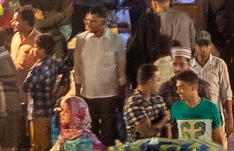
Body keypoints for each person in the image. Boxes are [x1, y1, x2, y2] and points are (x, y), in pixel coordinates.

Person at [191, 0, 234, 106]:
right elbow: (201, 23)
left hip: (231, 38)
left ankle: (229, 99)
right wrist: (209, 45)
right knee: (217, 75)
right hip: (216, 42)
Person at [71, 8, 125, 148]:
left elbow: (121, 69)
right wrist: (78, 95)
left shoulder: (116, 40)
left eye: (93, 21)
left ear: (104, 21)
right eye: (88, 20)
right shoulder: (81, 39)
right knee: (90, 135)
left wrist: (122, 94)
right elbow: (78, 69)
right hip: (88, 95)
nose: (89, 24)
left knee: (108, 134)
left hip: (109, 95)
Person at [22, 36, 63, 151]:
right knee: (47, 143)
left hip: (37, 111)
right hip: (48, 109)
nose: (33, 49)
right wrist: (60, 88)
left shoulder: (38, 68)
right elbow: (65, 69)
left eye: (35, 47)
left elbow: (27, 86)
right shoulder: (54, 63)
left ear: (42, 51)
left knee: (38, 145)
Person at [192, 32, 234, 142]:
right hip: (196, 117)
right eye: (200, 46)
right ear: (195, 46)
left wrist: (230, 118)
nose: (203, 49)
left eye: (206, 45)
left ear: (210, 46)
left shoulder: (219, 64)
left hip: (216, 116)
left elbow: (226, 92)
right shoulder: (190, 67)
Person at [169, 69, 226, 146]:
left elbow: (217, 138)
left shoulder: (211, 108)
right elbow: (174, 133)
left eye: (182, 87)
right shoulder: (176, 107)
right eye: (177, 87)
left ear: (193, 87)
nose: (178, 91)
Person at [123, 64, 170, 141]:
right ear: (151, 81)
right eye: (158, 80)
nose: (160, 83)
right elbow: (148, 132)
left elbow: (166, 126)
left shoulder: (158, 99)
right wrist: (164, 118)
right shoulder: (134, 103)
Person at [11, 7, 43, 86]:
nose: (13, 23)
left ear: (25, 23)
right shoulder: (15, 36)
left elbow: (41, 67)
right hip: (14, 87)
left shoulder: (39, 40)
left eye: (16, 21)